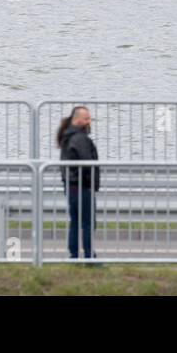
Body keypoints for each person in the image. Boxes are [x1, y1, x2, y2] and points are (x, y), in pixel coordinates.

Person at [57, 106, 99, 260]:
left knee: (75, 221)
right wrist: (90, 184)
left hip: (72, 185)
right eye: (86, 118)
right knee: (88, 222)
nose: (89, 121)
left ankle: (74, 255)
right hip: (81, 186)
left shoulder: (69, 136)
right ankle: (89, 257)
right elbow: (87, 163)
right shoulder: (80, 138)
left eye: (89, 118)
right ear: (77, 120)